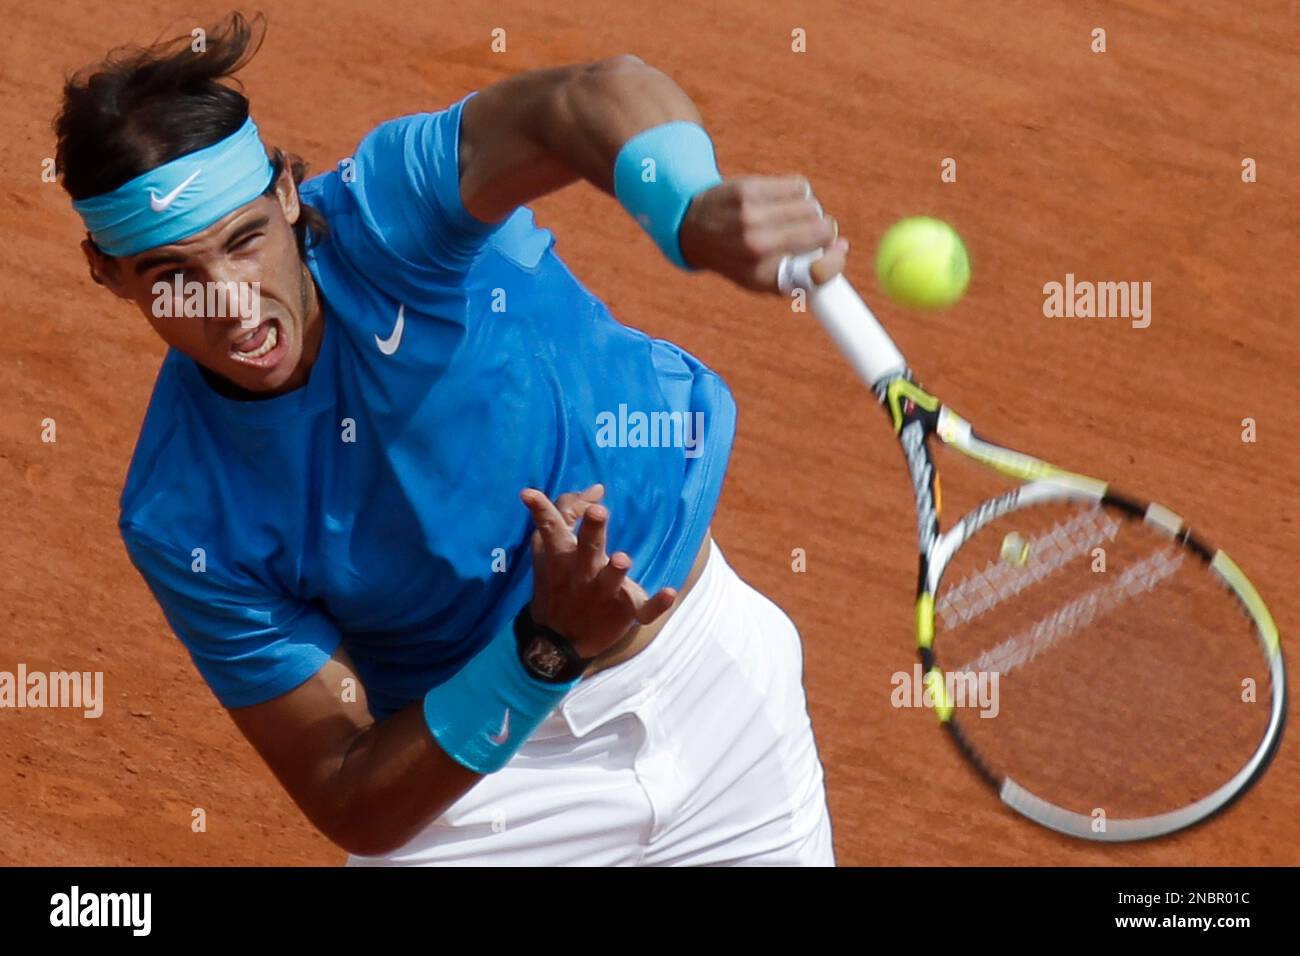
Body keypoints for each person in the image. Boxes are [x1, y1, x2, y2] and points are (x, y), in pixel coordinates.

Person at [55, 12, 847, 865]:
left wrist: (684, 206)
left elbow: (585, 97)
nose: (233, 303)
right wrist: (544, 647)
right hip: (479, 792)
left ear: (287, 193)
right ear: (108, 274)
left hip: (715, 698)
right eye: (175, 278)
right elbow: (348, 794)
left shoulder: (393, 216)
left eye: (245, 242)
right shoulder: (184, 517)